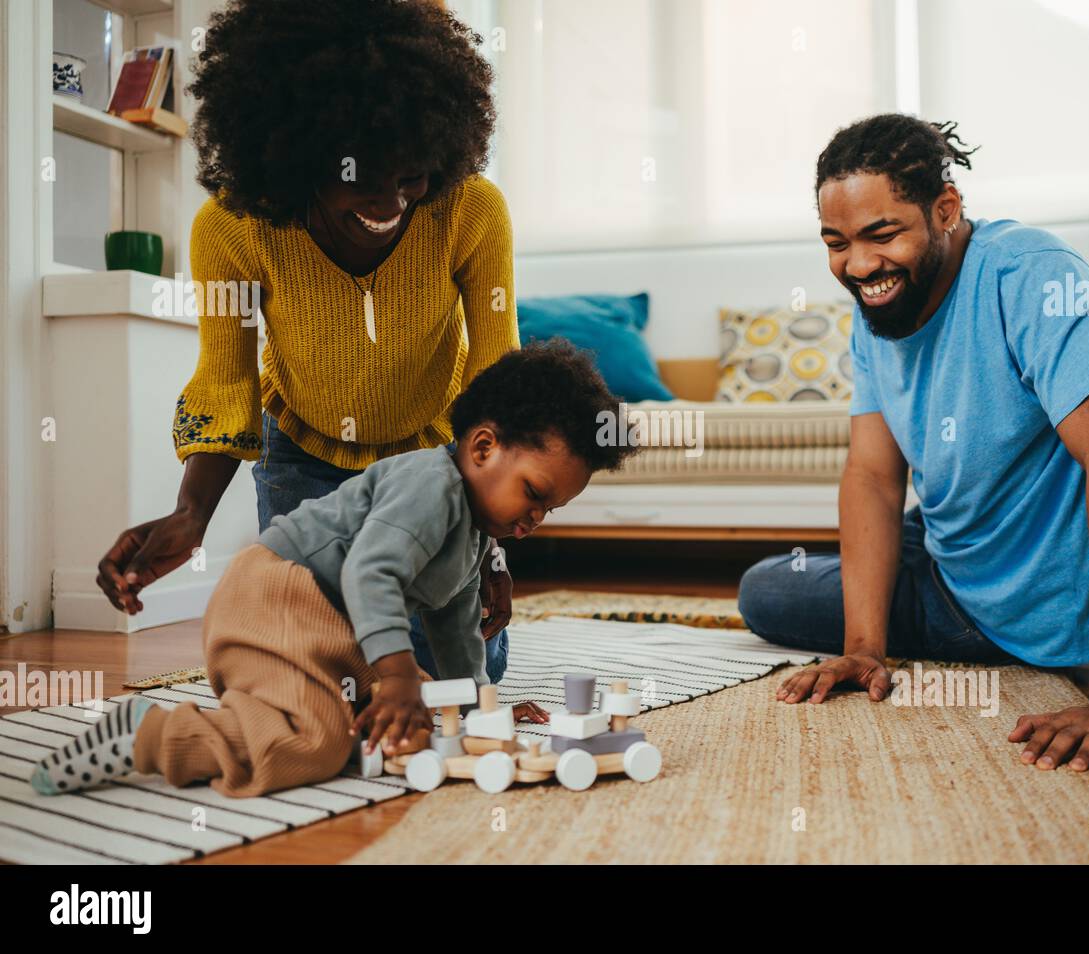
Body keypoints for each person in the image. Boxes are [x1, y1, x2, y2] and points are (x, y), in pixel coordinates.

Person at [95, 0, 519, 683]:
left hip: (433, 460)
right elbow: (227, 385)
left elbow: (496, 383)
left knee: (460, 674)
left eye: (409, 175)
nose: (390, 205)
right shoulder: (234, 228)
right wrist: (189, 515)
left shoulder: (471, 210)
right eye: (363, 182)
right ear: (289, 159)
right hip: (304, 461)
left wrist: (488, 547)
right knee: (311, 664)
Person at [739, 114, 1089, 773]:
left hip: (1008, 593)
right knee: (765, 586)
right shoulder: (877, 303)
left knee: (773, 593)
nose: (858, 265)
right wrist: (863, 648)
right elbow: (875, 477)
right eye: (836, 242)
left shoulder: (1031, 274)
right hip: (946, 531)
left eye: (881, 235)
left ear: (946, 209)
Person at [33, 343, 638, 798]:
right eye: (534, 493)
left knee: (421, 716)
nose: (535, 517)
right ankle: (149, 731)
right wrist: (397, 673)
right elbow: (370, 574)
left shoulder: (474, 535)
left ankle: (298, 706)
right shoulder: (431, 485)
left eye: (549, 509)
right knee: (315, 743)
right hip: (278, 598)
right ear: (483, 448)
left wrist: (480, 706)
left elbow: (456, 632)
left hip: (330, 628)